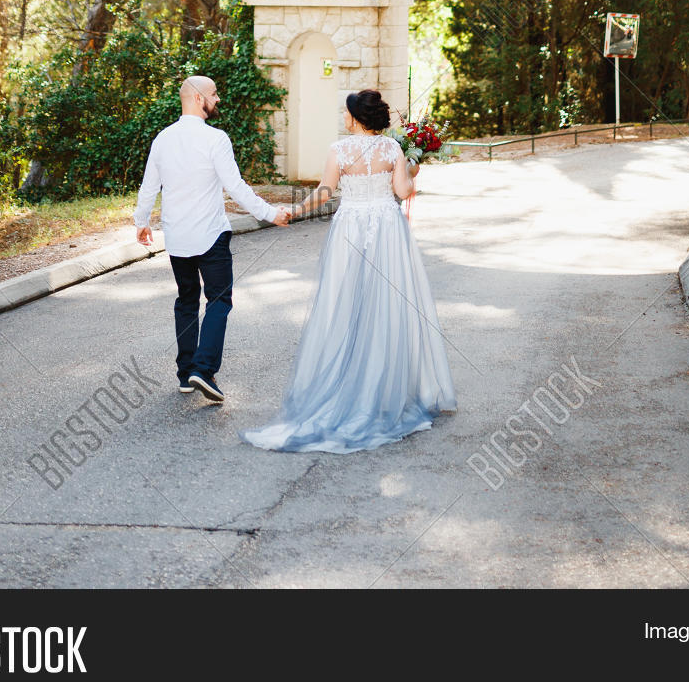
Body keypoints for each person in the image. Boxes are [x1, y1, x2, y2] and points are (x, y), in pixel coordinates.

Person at [240, 88, 456, 453]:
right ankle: (382, 389)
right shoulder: (392, 149)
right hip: (386, 228)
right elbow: (403, 192)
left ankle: (343, 381)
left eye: (346, 112)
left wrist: (292, 212)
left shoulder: (338, 150)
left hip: (351, 229)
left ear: (356, 117)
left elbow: (325, 191)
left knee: (344, 302)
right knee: (386, 304)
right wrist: (413, 170)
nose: (344, 117)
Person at [134, 74, 290, 404]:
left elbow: (150, 186)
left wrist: (141, 221)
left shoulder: (163, 138)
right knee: (219, 300)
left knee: (187, 301)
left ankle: (186, 374)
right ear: (195, 98)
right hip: (210, 235)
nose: (217, 99)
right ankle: (203, 371)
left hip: (177, 236)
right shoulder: (215, 139)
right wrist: (270, 213)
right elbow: (236, 187)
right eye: (213, 94)